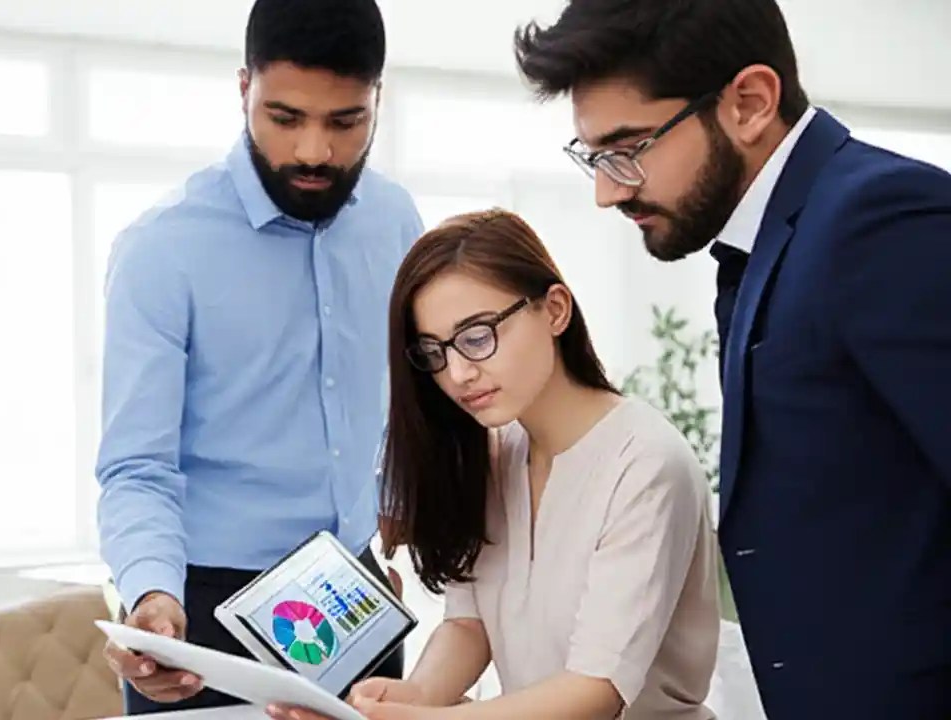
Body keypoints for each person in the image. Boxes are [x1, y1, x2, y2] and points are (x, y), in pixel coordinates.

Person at [513, 1, 951, 718]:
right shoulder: (769, 242)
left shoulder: (879, 217)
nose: (606, 190)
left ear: (749, 102)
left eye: (628, 148)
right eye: (593, 158)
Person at [96, 0, 423, 714]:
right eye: (285, 117)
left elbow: (416, 389)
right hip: (204, 612)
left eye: (346, 121)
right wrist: (152, 593)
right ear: (243, 88)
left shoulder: (396, 222)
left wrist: (396, 506)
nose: (314, 151)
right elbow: (136, 466)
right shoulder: (162, 250)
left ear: (378, 99)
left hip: (352, 598)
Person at [270, 209, 719, 720]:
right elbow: (470, 625)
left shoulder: (644, 461)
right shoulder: (496, 447)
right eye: (434, 352)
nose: (458, 373)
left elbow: (595, 692)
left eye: (478, 336)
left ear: (554, 310)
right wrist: (408, 699)